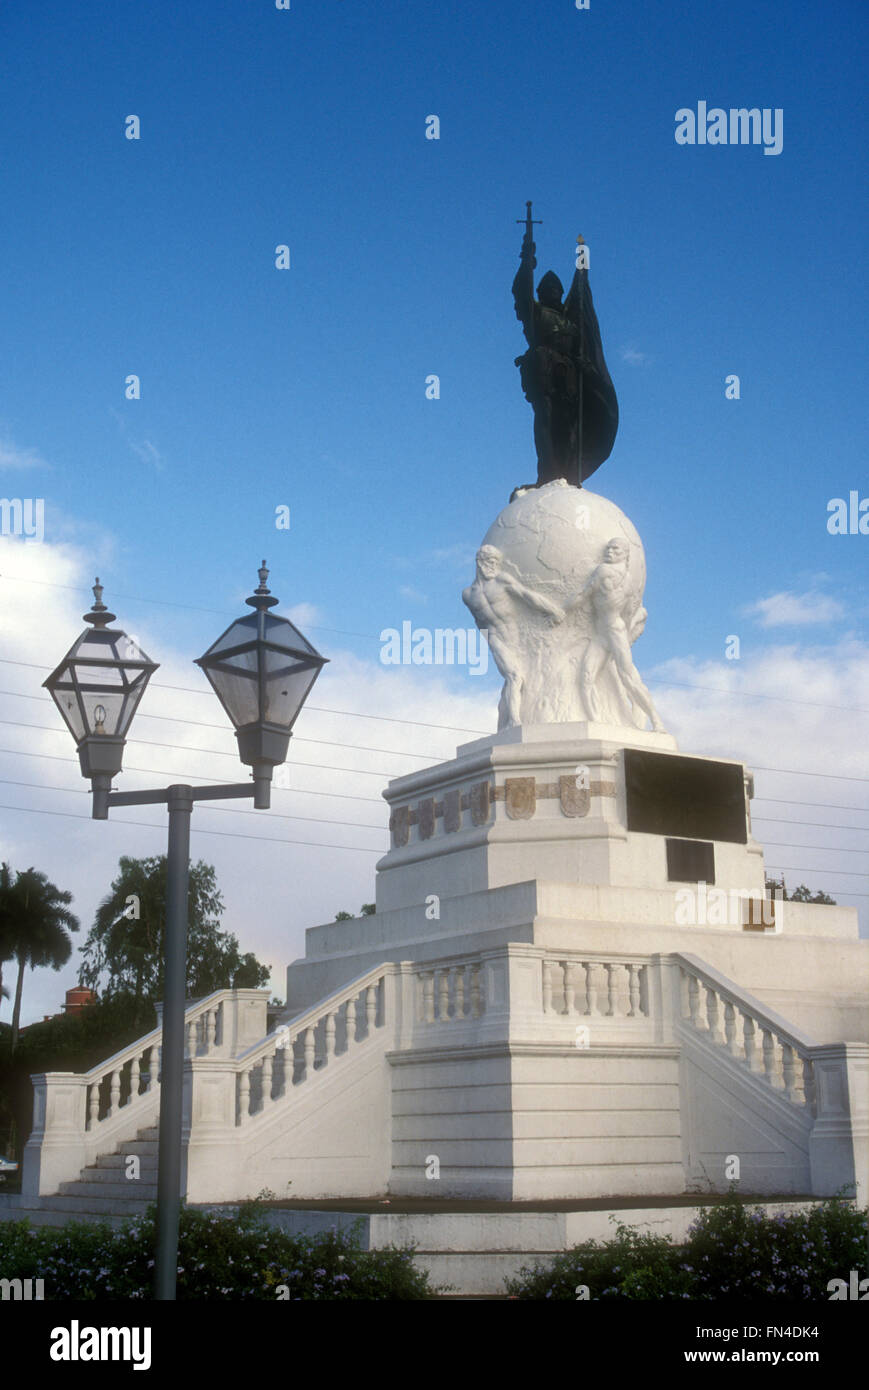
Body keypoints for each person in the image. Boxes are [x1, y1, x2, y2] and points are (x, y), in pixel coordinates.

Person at [567, 538, 666, 732]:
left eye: (615, 549)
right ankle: (596, 721)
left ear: (625, 554)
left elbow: (627, 611)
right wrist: (563, 611)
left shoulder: (621, 578)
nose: (609, 552)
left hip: (615, 631)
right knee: (586, 676)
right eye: (608, 548)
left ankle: (656, 720)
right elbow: (583, 595)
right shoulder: (605, 571)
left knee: (628, 677)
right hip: (600, 634)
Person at [463, 545, 564, 727]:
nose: (493, 566)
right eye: (490, 562)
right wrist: (489, 641)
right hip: (496, 639)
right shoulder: (468, 595)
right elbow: (479, 622)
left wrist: (552, 610)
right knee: (515, 676)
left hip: (518, 637)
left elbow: (527, 596)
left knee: (529, 677)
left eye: (496, 562)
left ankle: (508, 715)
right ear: (480, 563)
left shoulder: (502, 581)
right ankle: (514, 721)